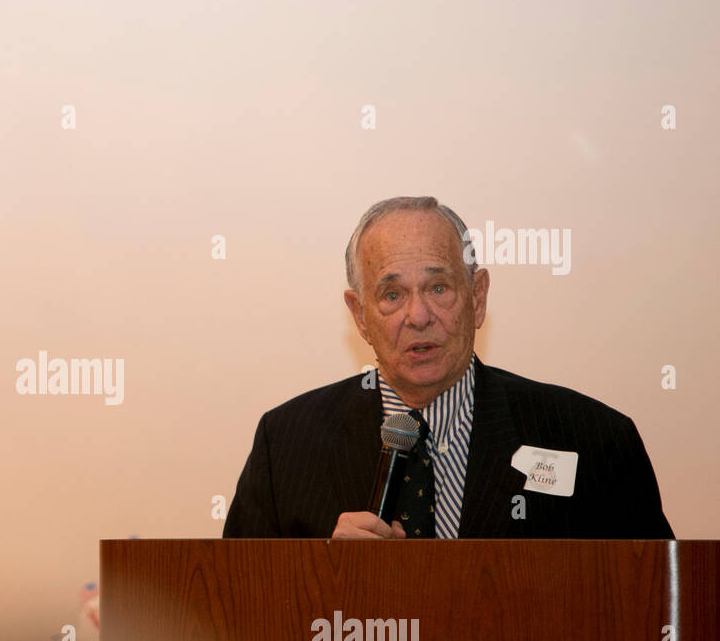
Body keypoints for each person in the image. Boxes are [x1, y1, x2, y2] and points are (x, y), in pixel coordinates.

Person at [223, 196, 673, 540]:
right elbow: (238, 620)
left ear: (478, 296)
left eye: (438, 287)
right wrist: (325, 576)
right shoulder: (284, 446)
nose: (418, 316)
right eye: (392, 295)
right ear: (360, 315)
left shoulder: (593, 440)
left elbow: (655, 612)